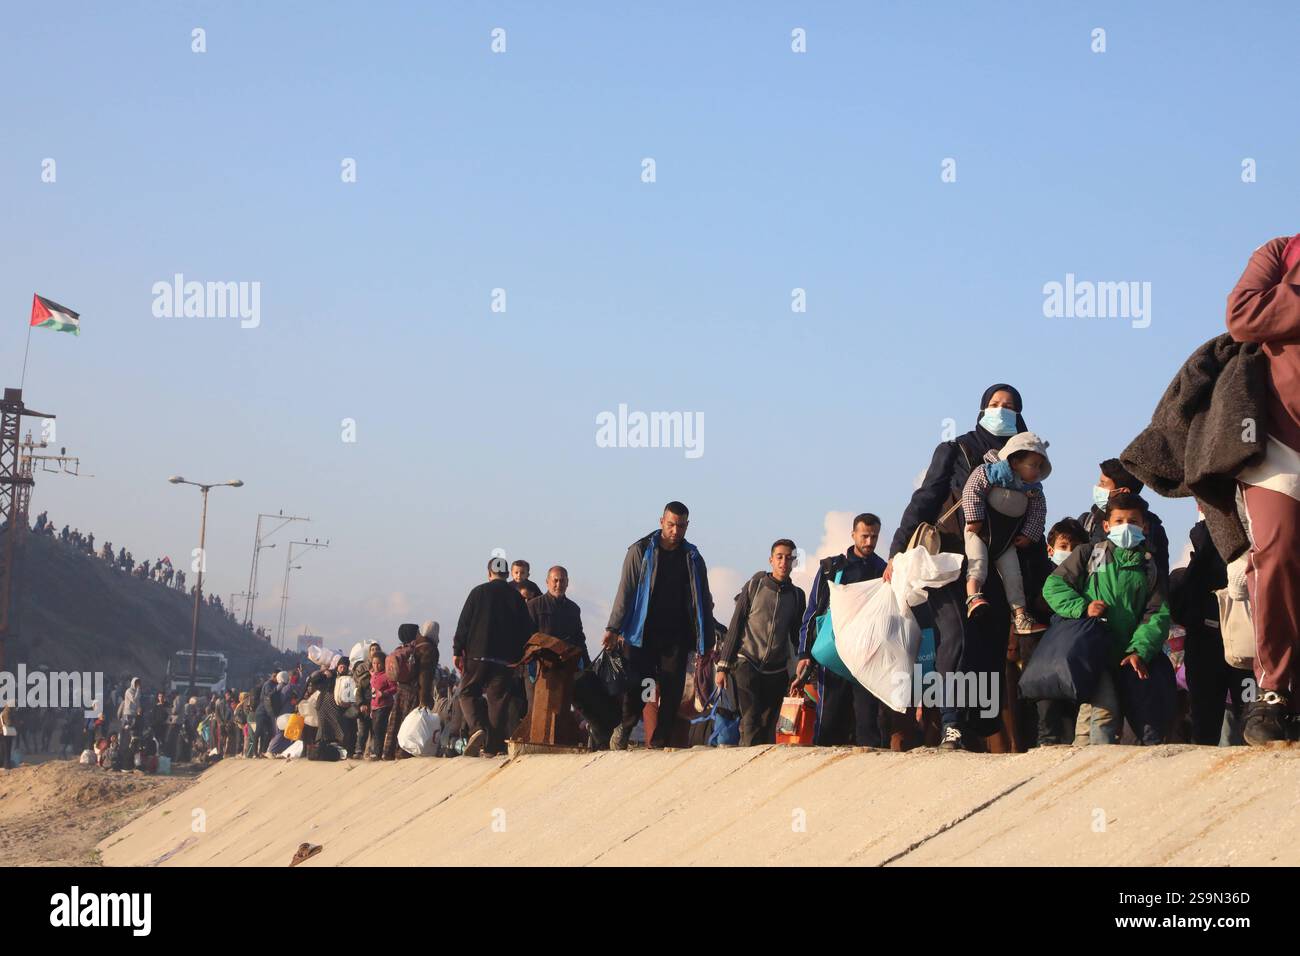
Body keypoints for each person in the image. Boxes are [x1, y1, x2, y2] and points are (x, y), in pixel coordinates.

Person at [888, 384, 1034, 751]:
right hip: (950, 563)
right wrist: (896, 549)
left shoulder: (1027, 458)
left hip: (998, 567)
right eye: (994, 404)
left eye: (1010, 406)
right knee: (957, 636)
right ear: (982, 410)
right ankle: (950, 722)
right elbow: (925, 498)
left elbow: (1034, 513)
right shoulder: (956, 449)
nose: (1002, 410)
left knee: (988, 645)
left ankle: (974, 725)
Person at [1225, 233, 1300, 743]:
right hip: (1277, 443)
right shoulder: (1279, 252)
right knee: (1278, 548)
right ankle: (1273, 690)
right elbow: (1243, 315)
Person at [1043, 493, 1174, 745]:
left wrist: (1139, 650)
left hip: (1131, 659)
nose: (1126, 526)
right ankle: (1089, 771)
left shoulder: (1149, 567)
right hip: (1096, 653)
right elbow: (1053, 586)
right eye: (1119, 520)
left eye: (1133, 521)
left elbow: (1157, 614)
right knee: (1104, 713)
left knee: (1145, 724)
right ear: (1106, 526)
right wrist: (1082, 607)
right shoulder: (1089, 554)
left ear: (1144, 527)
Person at [603, 501, 715, 750]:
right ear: (661, 522)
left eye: (681, 526)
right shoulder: (641, 550)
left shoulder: (693, 557)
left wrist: (706, 640)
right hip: (642, 634)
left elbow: (703, 600)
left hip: (677, 635)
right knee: (642, 685)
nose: (676, 531)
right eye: (671, 524)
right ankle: (626, 725)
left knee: (674, 690)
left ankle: (659, 741)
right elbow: (626, 590)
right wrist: (613, 628)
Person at [798, 514, 889, 746]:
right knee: (828, 723)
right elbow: (813, 612)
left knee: (868, 725)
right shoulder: (832, 567)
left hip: (867, 657)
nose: (869, 542)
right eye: (865, 536)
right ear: (853, 535)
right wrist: (804, 653)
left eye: (874, 537)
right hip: (833, 655)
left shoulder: (883, 570)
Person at [717, 539, 806, 746]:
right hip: (747, 661)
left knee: (769, 723)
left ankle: (764, 770)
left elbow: (795, 638)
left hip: (776, 670)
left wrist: (798, 673)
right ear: (771, 560)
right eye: (780, 557)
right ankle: (749, 767)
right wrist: (723, 666)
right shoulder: (755, 586)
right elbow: (736, 624)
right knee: (751, 718)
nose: (784, 562)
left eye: (789, 558)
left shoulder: (797, 596)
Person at [962, 432, 1051, 635]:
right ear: (1015, 460)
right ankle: (973, 597)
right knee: (977, 565)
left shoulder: (1034, 490)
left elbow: (1038, 513)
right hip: (978, 534)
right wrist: (975, 519)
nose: (1037, 471)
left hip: (1007, 541)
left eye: (1039, 466)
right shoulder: (988, 472)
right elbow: (971, 490)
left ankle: (1020, 616)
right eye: (1033, 465)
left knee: (1014, 576)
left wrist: (1029, 535)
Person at [453, 558, 533, 757]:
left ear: (489, 573)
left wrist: (457, 650)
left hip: (477, 656)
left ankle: (477, 728)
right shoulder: (516, 598)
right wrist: (520, 656)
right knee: (498, 702)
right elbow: (526, 630)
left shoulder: (478, 592)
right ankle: (491, 748)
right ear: (507, 575)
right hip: (504, 660)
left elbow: (464, 623)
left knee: (467, 692)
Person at [1078, 459, 1171, 581]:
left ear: (1123, 491)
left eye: (1103, 484)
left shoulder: (1153, 530)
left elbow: (1159, 578)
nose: (1098, 487)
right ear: (1106, 525)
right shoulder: (1088, 523)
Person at [382, 624, 421, 759]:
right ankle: (403, 752)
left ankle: (388, 752)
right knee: (407, 723)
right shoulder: (414, 651)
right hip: (411, 691)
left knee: (395, 723)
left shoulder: (398, 650)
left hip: (399, 691)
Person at [368, 648, 395, 759]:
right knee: (374, 729)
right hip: (374, 706)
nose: (376, 665)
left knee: (379, 729)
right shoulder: (373, 676)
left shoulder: (387, 675)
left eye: (379, 663)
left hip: (384, 706)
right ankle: (375, 750)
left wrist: (384, 693)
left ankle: (378, 753)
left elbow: (394, 688)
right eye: (374, 663)